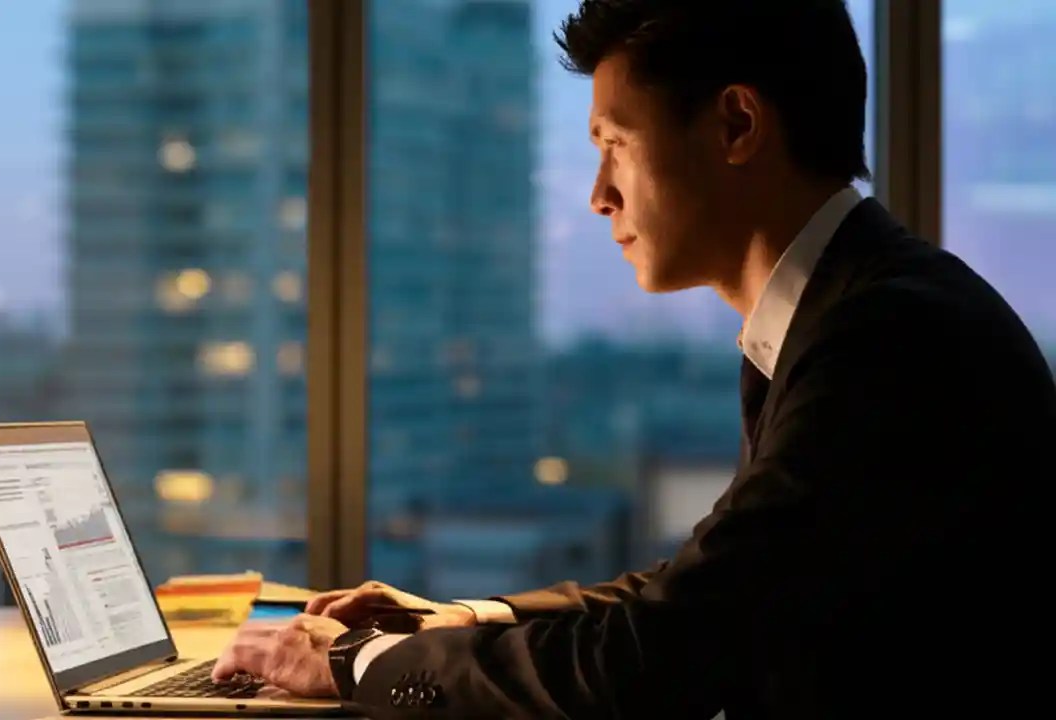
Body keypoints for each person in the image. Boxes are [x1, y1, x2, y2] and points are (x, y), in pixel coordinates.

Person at [213, 0, 1056, 716]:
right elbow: (711, 588)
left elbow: (662, 654)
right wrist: (460, 617)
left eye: (615, 142)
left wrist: (350, 664)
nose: (598, 194)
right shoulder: (853, 309)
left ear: (735, 125)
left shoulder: (882, 341)